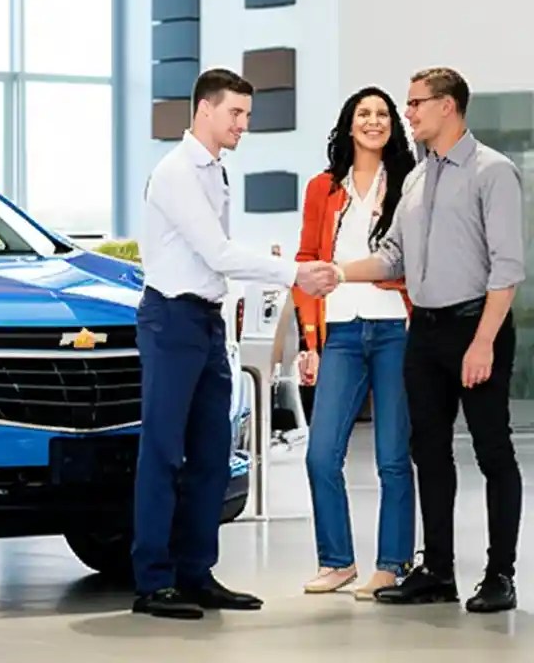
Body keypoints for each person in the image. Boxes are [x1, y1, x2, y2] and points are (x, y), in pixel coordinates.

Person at [133, 67, 340, 619]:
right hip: (171, 320)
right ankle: (153, 581)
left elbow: (219, 258)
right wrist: (294, 272)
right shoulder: (176, 172)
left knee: (210, 451)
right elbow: (217, 253)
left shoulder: (214, 171)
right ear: (204, 109)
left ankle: (196, 572)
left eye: (246, 114)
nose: (244, 125)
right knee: (161, 450)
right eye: (236, 114)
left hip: (205, 320)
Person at [338, 66, 524, 613]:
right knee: (429, 453)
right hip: (424, 330)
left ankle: (500, 575)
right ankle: (438, 571)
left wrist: (484, 341)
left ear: (449, 107)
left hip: (477, 326)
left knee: (493, 452)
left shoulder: (494, 172)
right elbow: (393, 256)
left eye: (416, 103)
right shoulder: (416, 179)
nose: (408, 112)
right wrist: (337, 271)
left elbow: (507, 266)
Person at [292, 86, 418, 598]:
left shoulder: (411, 183)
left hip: (396, 332)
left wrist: (391, 283)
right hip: (339, 333)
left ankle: (392, 564)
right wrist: (309, 341)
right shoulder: (323, 188)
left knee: (392, 457)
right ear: (349, 124)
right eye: (364, 113)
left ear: (393, 125)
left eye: (382, 114)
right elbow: (304, 264)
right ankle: (337, 560)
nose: (373, 121)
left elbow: (417, 257)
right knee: (321, 453)